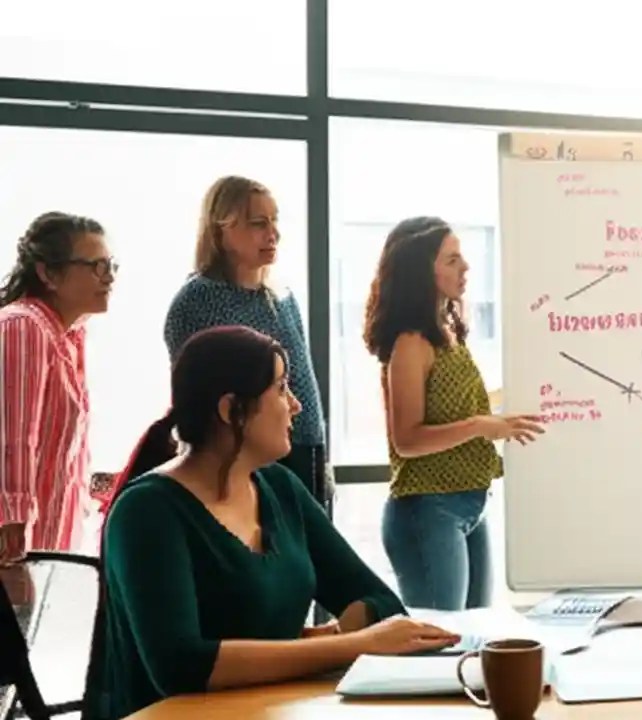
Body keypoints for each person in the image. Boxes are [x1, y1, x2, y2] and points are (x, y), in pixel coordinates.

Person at [89, 326, 459, 719]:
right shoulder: (147, 513)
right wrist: (350, 644)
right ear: (231, 410)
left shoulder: (280, 489)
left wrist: (324, 636)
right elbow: (182, 666)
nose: (296, 405)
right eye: (282, 389)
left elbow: (381, 603)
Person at [363, 217, 543, 610]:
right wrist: (481, 426)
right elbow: (407, 440)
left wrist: (516, 400)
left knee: (474, 634)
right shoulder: (410, 342)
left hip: (469, 504)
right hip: (428, 510)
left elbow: (458, 405)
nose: (466, 268)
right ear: (420, 270)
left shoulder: (447, 330)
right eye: (452, 260)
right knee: (444, 641)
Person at [163, 176, 331, 514]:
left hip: (304, 450)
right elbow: (197, 399)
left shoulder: (281, 298)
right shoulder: (198, 301)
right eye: (258, 223)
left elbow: (303, 384)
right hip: (244, 459)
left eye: (275, 221)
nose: (273, 233)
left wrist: (322, 461)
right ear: (220, 231)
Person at [0, 212, 114, 563]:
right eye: (96, 266)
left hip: (50, 547)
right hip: (17, 550)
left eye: (111, 265)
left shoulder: (70, 336)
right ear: (48, 273)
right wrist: (12, 522)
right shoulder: (24, 326)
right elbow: (14, 438)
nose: (109, 277)